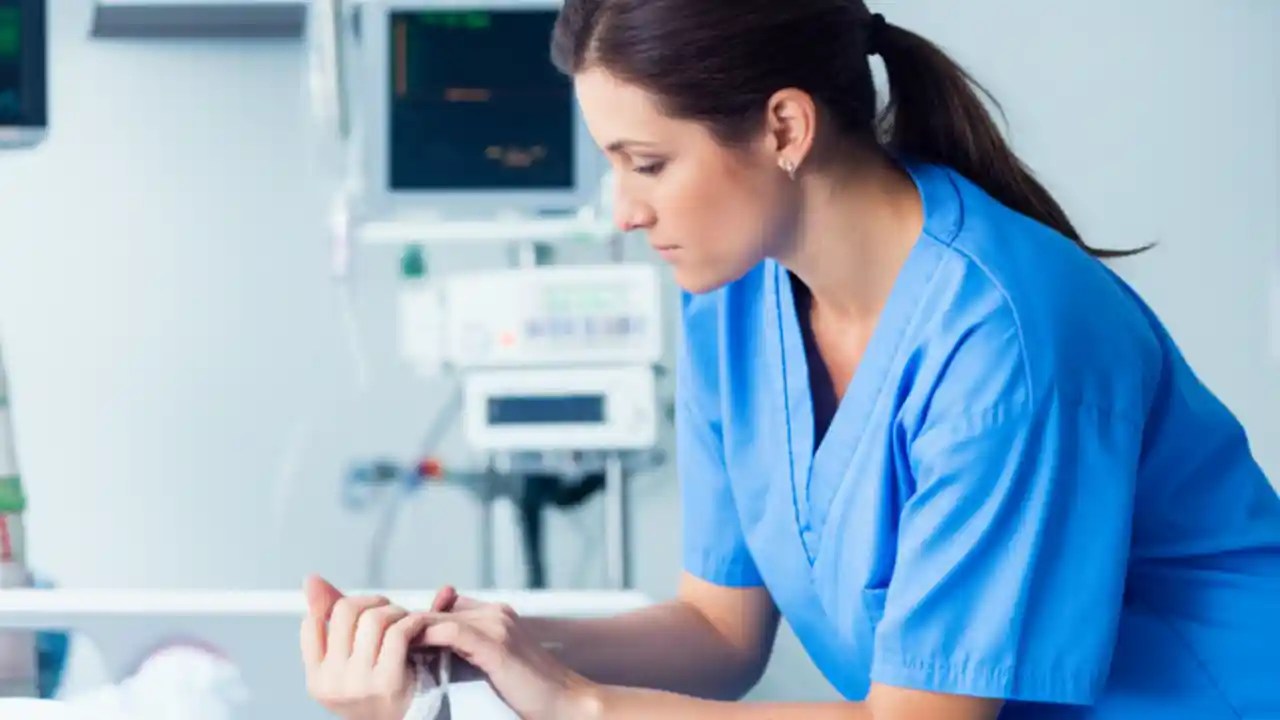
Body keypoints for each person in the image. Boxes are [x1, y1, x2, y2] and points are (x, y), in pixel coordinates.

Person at [300, 2, 1280, 719]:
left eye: (647, 163)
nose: (622, 210)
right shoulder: (732, 300)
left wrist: (576, 704)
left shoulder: (1003, 339)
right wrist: (486, 647)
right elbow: (718, 634)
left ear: (784, 127)